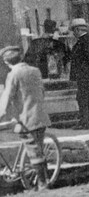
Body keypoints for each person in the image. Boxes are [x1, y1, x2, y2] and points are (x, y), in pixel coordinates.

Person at [0, 46, 52, 189]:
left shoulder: (13, 74)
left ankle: (42, 184)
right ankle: (44, 178)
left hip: (26, 120)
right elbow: (42, 91)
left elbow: (7, 96)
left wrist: (1, 114)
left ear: (6, 62)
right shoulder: (35, 71)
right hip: (40, 116)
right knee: (38, 148)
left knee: (33, 150)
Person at [66, 18, 89, 129]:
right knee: (87, 97)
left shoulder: (84, 41)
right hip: (85, 74)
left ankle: (85, 122)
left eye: (74, 30)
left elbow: (88, 57)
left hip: (84, 74)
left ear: (78, 30)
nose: (73, 33)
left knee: (83, 98)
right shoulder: (85, 40)